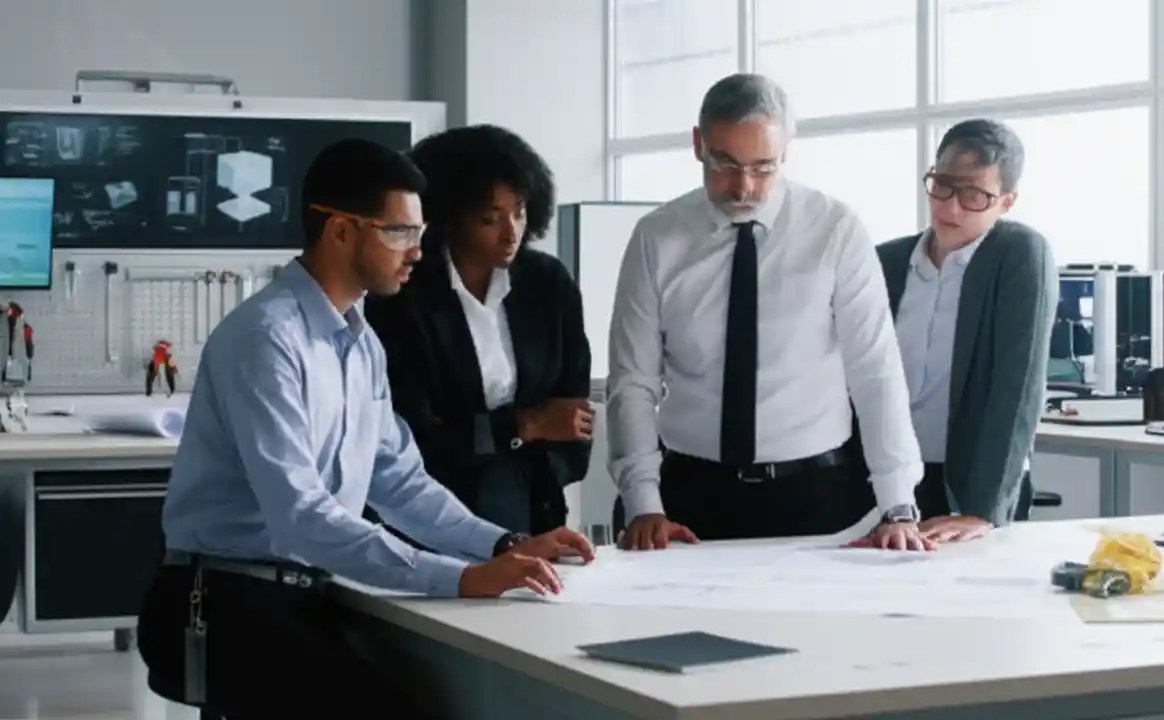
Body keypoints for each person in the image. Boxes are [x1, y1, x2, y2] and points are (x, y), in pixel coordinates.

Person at [135, 138, 593, 718]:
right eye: (399, 232)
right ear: (341, 232)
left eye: (419, 232)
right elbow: (301, 516)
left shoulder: (360, 341)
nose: (418, 252)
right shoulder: (267, 340)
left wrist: (503, 544)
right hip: (229, 601)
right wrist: (462, 577)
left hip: (306, 593)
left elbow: (399, 481)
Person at [607, 73, 933, 551]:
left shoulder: (835, 229)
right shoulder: (656, 238)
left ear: (786, 151)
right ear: (698, 144)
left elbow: (875, 369)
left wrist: (898, 504)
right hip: (689, 500)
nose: (743, 186)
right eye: (725, 163)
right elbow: (633, 381)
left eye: (763, 167)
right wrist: (642, 503)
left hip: (819, 497)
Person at [365, 124, 593, 536]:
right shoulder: (404, 294)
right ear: (449, 219)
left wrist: (495, 438)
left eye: (519, 212)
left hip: (535, 510)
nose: (511, 232)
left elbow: (573, 422)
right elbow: (412, 439)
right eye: (490, 219)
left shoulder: (548, 284)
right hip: (431, 519)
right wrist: (523, 427)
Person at [871, 119, 1056, 543]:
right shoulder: (887, 262)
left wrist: (984, 510)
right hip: (888, 482)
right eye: (942, 185)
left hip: (972, 485)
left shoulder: (1018, 255)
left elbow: (1018, 387)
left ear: (1006, 201)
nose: (950, 208)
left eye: (973, 195)